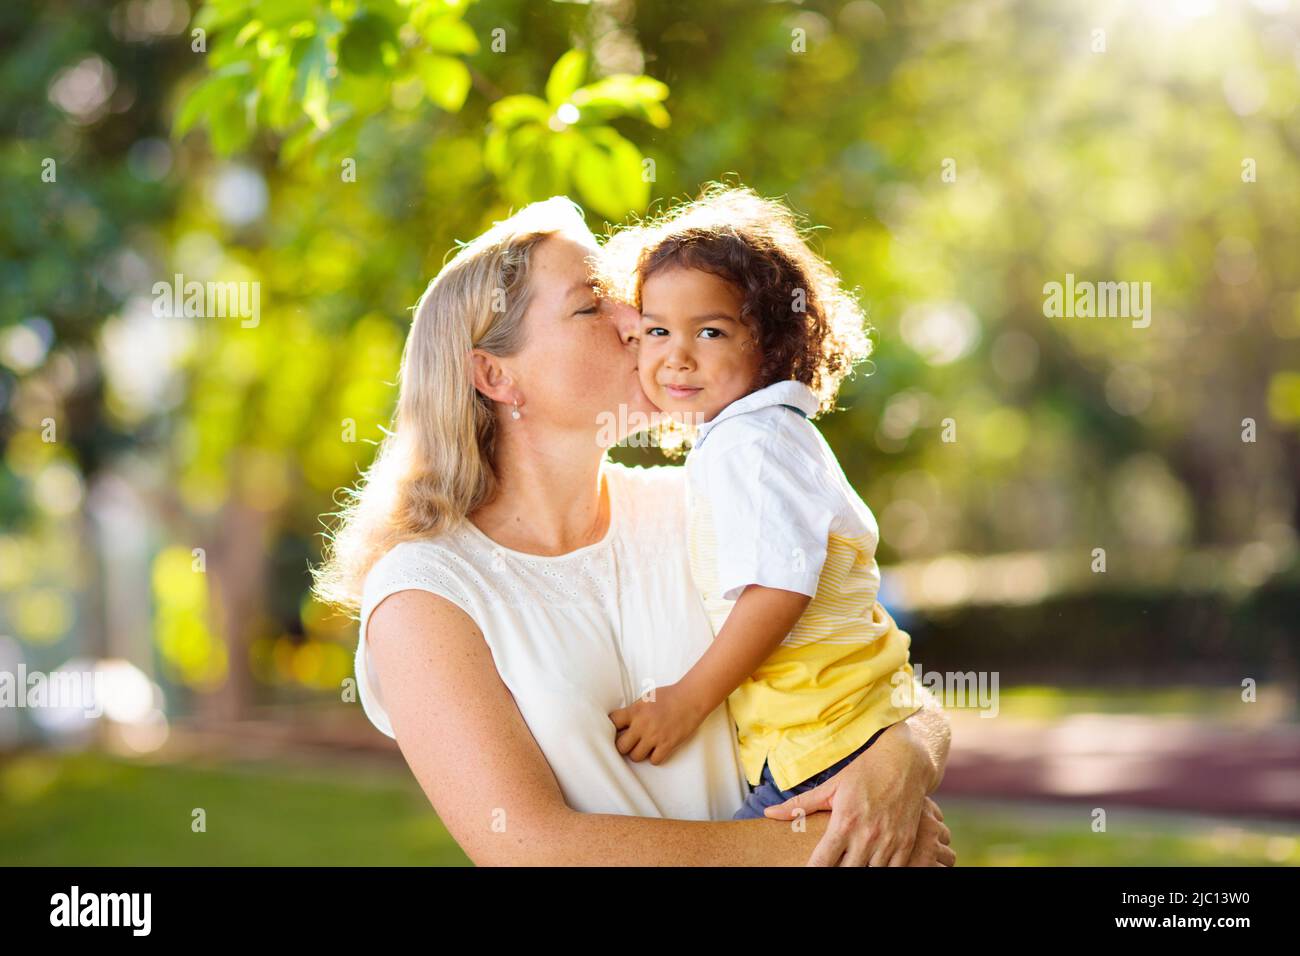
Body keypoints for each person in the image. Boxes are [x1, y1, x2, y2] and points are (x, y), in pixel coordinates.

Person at [312, 195, 955, 866]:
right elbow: (533, 848)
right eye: (592, 305)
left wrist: (901, 759)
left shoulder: (700, 507)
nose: (637, 321)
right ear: (495, 375)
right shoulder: (425, 594)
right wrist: (829, 845)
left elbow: (868, 665)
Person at [598, 186, 924, 822]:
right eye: (657, 329)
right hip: (842, 724)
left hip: (823, 737)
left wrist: (686, 702)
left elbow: (779, 589)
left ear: (771, 344)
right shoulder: (764, 434)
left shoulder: (750, 444)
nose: (677, 355)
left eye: (711, 331)